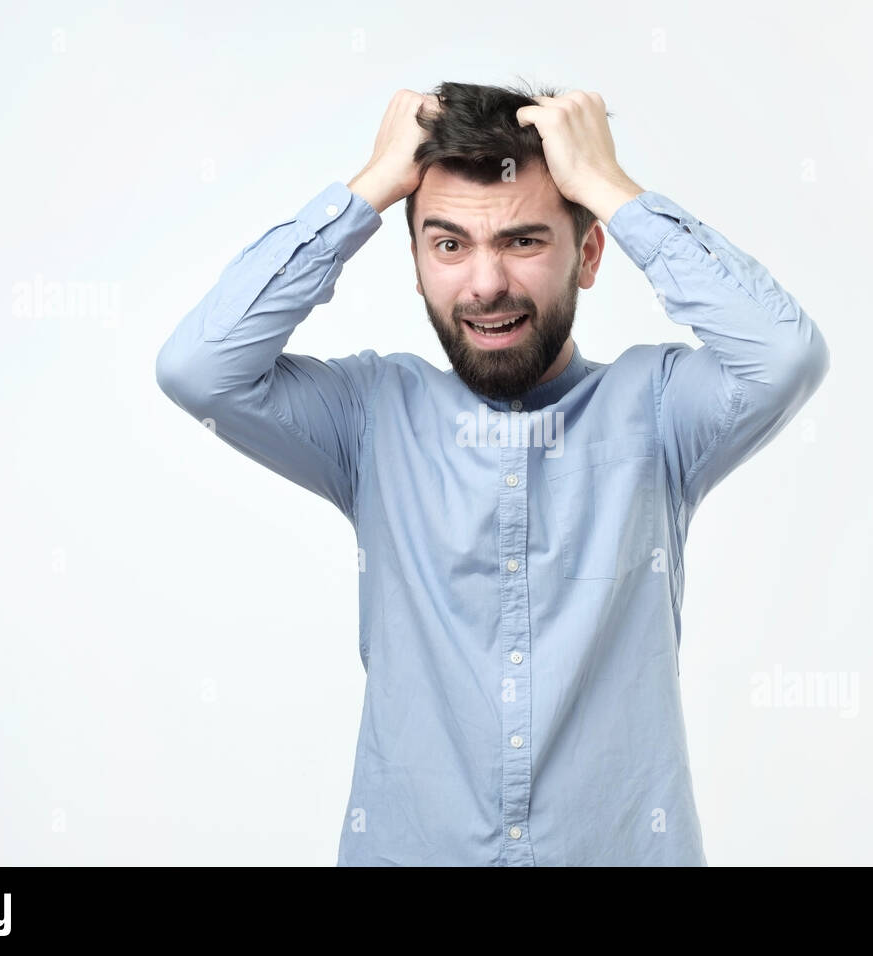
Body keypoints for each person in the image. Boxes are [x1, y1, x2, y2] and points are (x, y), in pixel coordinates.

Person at [155, 81, 831, 866]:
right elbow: (199, 369)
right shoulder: (369, 417)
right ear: (413, 264)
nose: (485, 285)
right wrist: (369, 189)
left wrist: (611, 191)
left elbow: (785, 355)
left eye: (522, 241)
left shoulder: (661, 410)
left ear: (588, 253)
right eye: (448, 245)